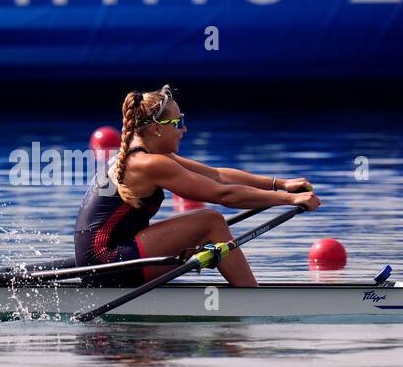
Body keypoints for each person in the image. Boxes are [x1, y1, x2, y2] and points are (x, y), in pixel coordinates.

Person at [74, 85, 320, 287]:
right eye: (178, 122)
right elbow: (223, 195)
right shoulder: (148, 163)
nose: (184, 129)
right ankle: (251, 300)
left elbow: (217, 175)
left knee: (208, 223)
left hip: (103, 258)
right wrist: (290, 200)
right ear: (157, 128)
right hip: (106, 260)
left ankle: (246, 294)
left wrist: (280, 184)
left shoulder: (145, 155)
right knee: (210, 222)